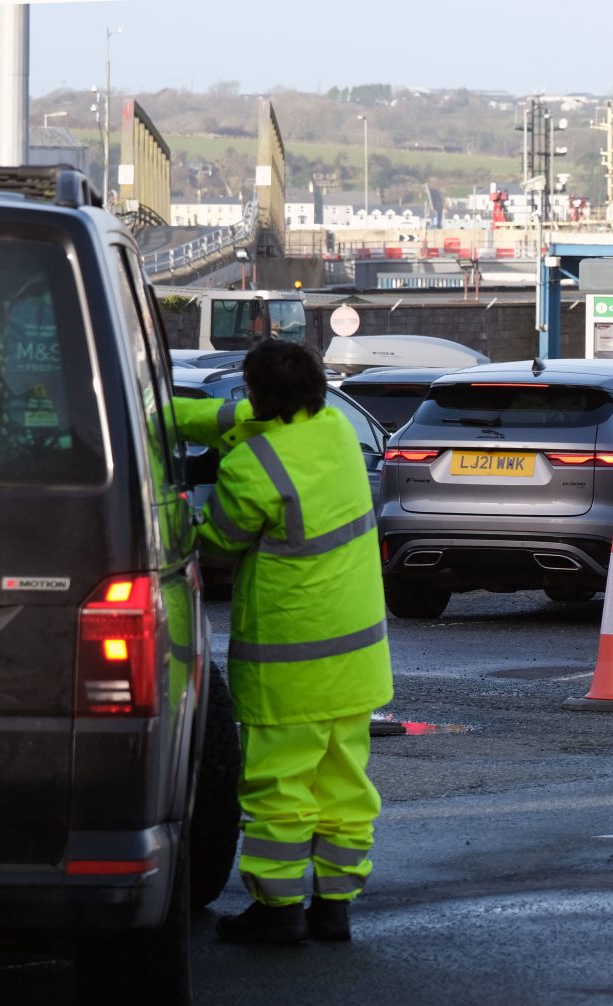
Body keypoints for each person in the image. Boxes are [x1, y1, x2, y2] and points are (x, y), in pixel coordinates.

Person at [188, 341, 393, 945]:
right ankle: (334, 906)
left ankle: (277, 911)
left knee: (280, 788)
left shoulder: (255, 467)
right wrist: (171, 413)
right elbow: (235, 422)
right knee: (345, 785)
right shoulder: (333, 431)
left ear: (255, 394)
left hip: (292, 662)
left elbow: (218, 547)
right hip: (356, 658)